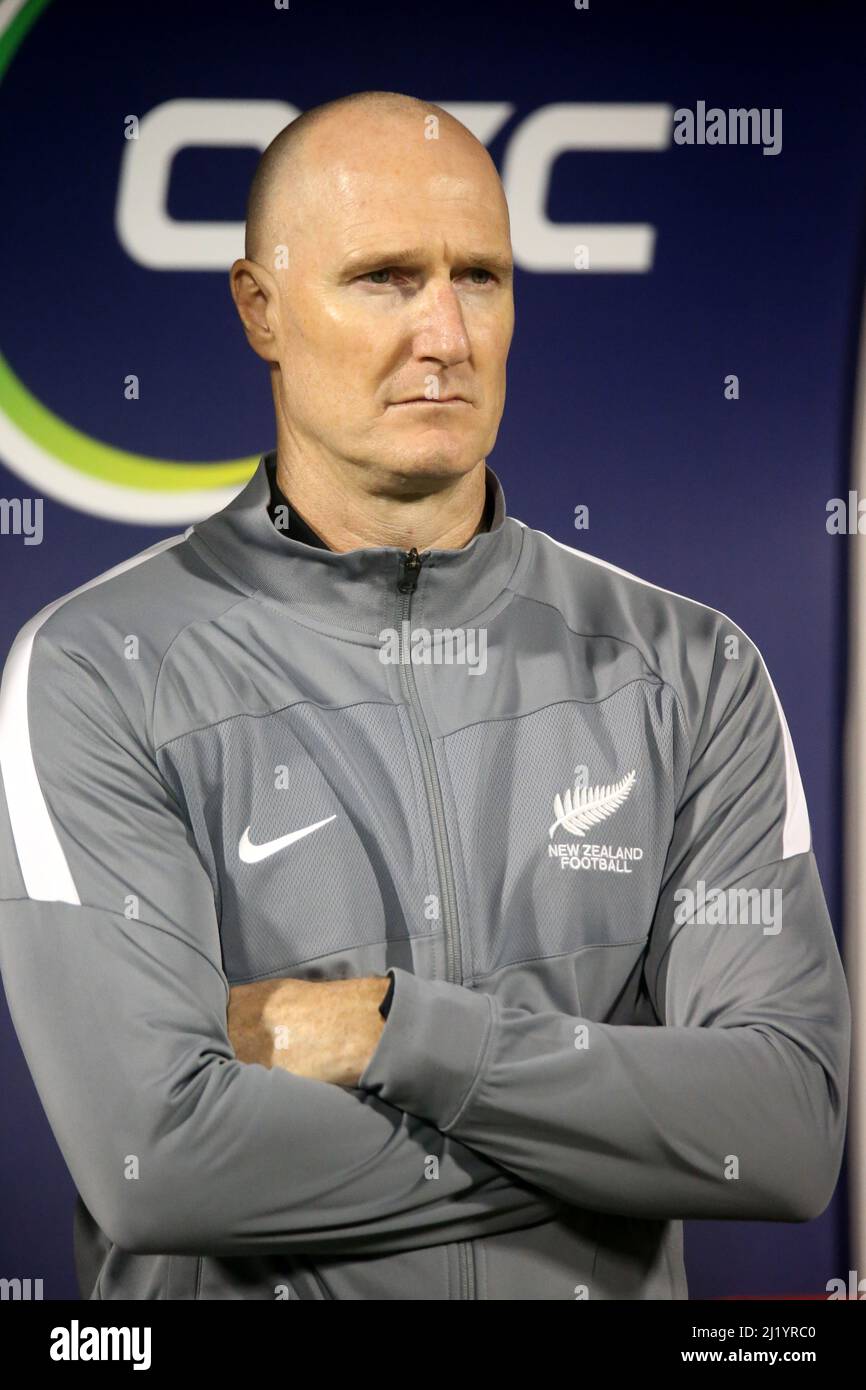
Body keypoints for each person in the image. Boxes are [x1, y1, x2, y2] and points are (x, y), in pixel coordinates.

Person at [0, 90, 850, 1301]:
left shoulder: (688, 667)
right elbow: (163, 1162)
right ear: (261, 308)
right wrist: (612, 1136)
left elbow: (782, 1127)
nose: (445, 334)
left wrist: (398, 1034)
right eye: (386, 279)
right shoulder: (100, 665)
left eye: (481, 278)